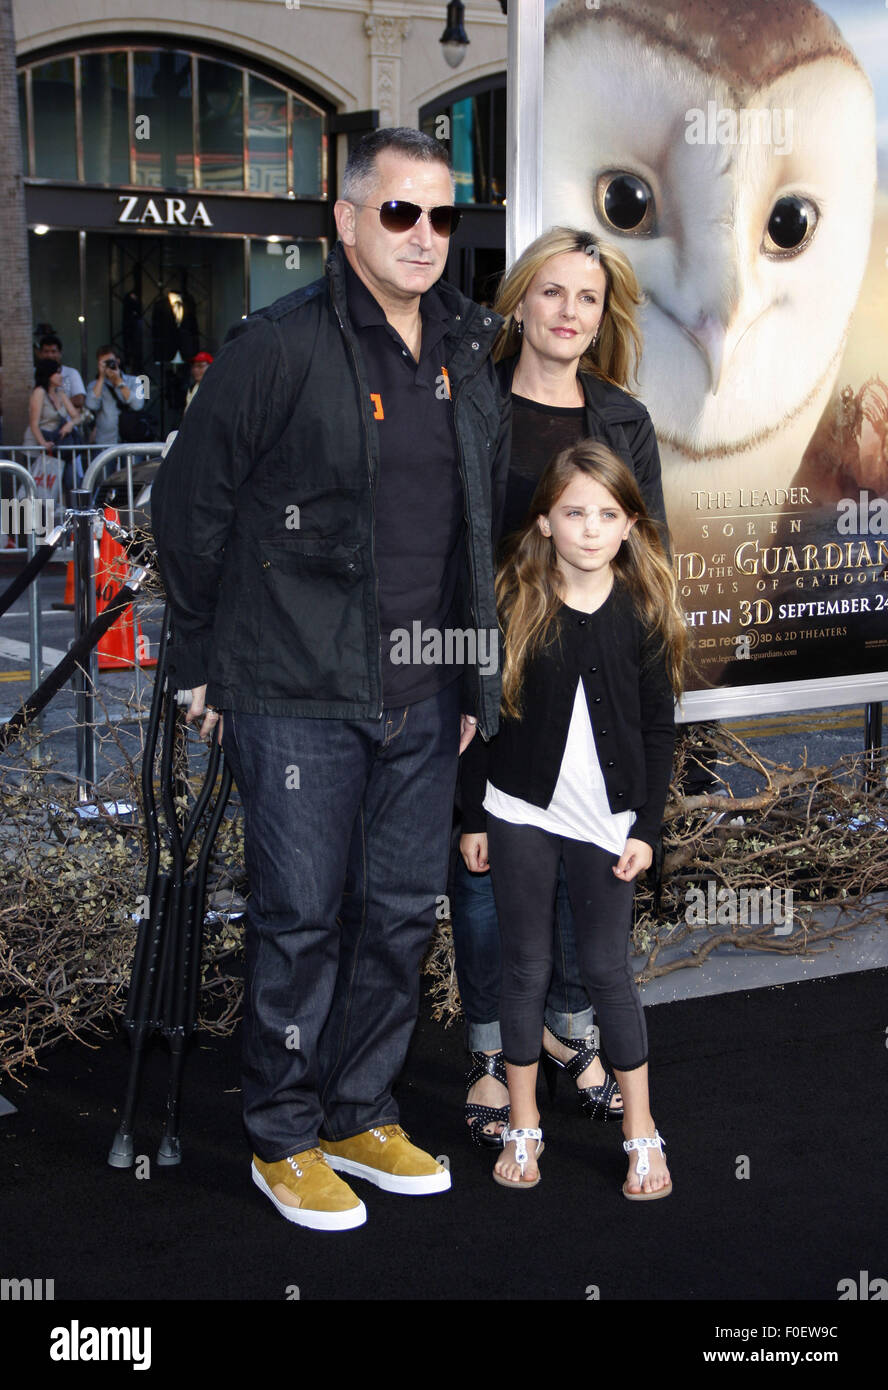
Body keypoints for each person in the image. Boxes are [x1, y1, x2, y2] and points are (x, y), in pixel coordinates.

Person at [151, 127, 508, 1232]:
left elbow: (472, 534)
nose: (424, 236)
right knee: (300, 920)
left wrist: (467, 687)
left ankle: (359, 1106)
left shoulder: (463, 345)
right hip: (296, 688)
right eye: (400, 212)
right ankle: (284, 1132)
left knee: (399, 914)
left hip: (422, 693)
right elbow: (189, 509)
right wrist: (207, 662)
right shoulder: (280, 345)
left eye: (443, 216)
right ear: (345, 221)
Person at [456, 227, 667, 1147]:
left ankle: (574, 1038)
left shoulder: (621, 420)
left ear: (602, 313)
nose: (569, 313)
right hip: (484, 667)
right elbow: (440, 547)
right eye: (551, 294)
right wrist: (459, 677)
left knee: (589, 858)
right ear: (520, 302)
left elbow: (647, 556)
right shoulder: (470, 406)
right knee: (485, 873)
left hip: (589, 677)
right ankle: (496, 1055)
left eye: (587, 298)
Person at [460, 440, 685, 1195]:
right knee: (524, 967)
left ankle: (641, 1129)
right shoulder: (509, 600)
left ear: (629, 525)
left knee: (605, 972)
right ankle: (525, 1125)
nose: (591, 528)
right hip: (518, 809)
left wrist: (647, 831)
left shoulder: (645, 605)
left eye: (607, 514)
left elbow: (660, 728)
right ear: (546, 522)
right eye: (574, 512)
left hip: (609, 822)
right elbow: (477, 718)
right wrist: (473, 816)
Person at [23, 359, 83, 497]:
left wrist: (70, 424)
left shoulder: (60, 393)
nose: (60, 376)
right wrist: (43, 444)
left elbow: (76, 416)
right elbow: (34, 423)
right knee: (39, 489)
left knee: (69, 482)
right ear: (48, 375)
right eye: (57, 373)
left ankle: (72, 516)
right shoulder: (39, 392)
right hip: (37, 447)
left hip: (57, 445)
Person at [85, 347, 146, 446]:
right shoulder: (95, 385)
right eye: (104, 363)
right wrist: (101, 377)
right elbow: (91, 405)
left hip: (131, 442)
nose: (108, 365)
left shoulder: (134, 381)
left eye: (111, 362)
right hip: (105, 443)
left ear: (118, 361)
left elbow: (137, 405)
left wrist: (119, 382)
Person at [36, 334, 86, 414]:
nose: (50, 355)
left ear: (60, 353)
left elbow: (79, 400)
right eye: (46, 352)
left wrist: (54, 404)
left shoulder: (72, 373)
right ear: (40, 354)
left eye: (53, 351)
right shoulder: (34, 374)